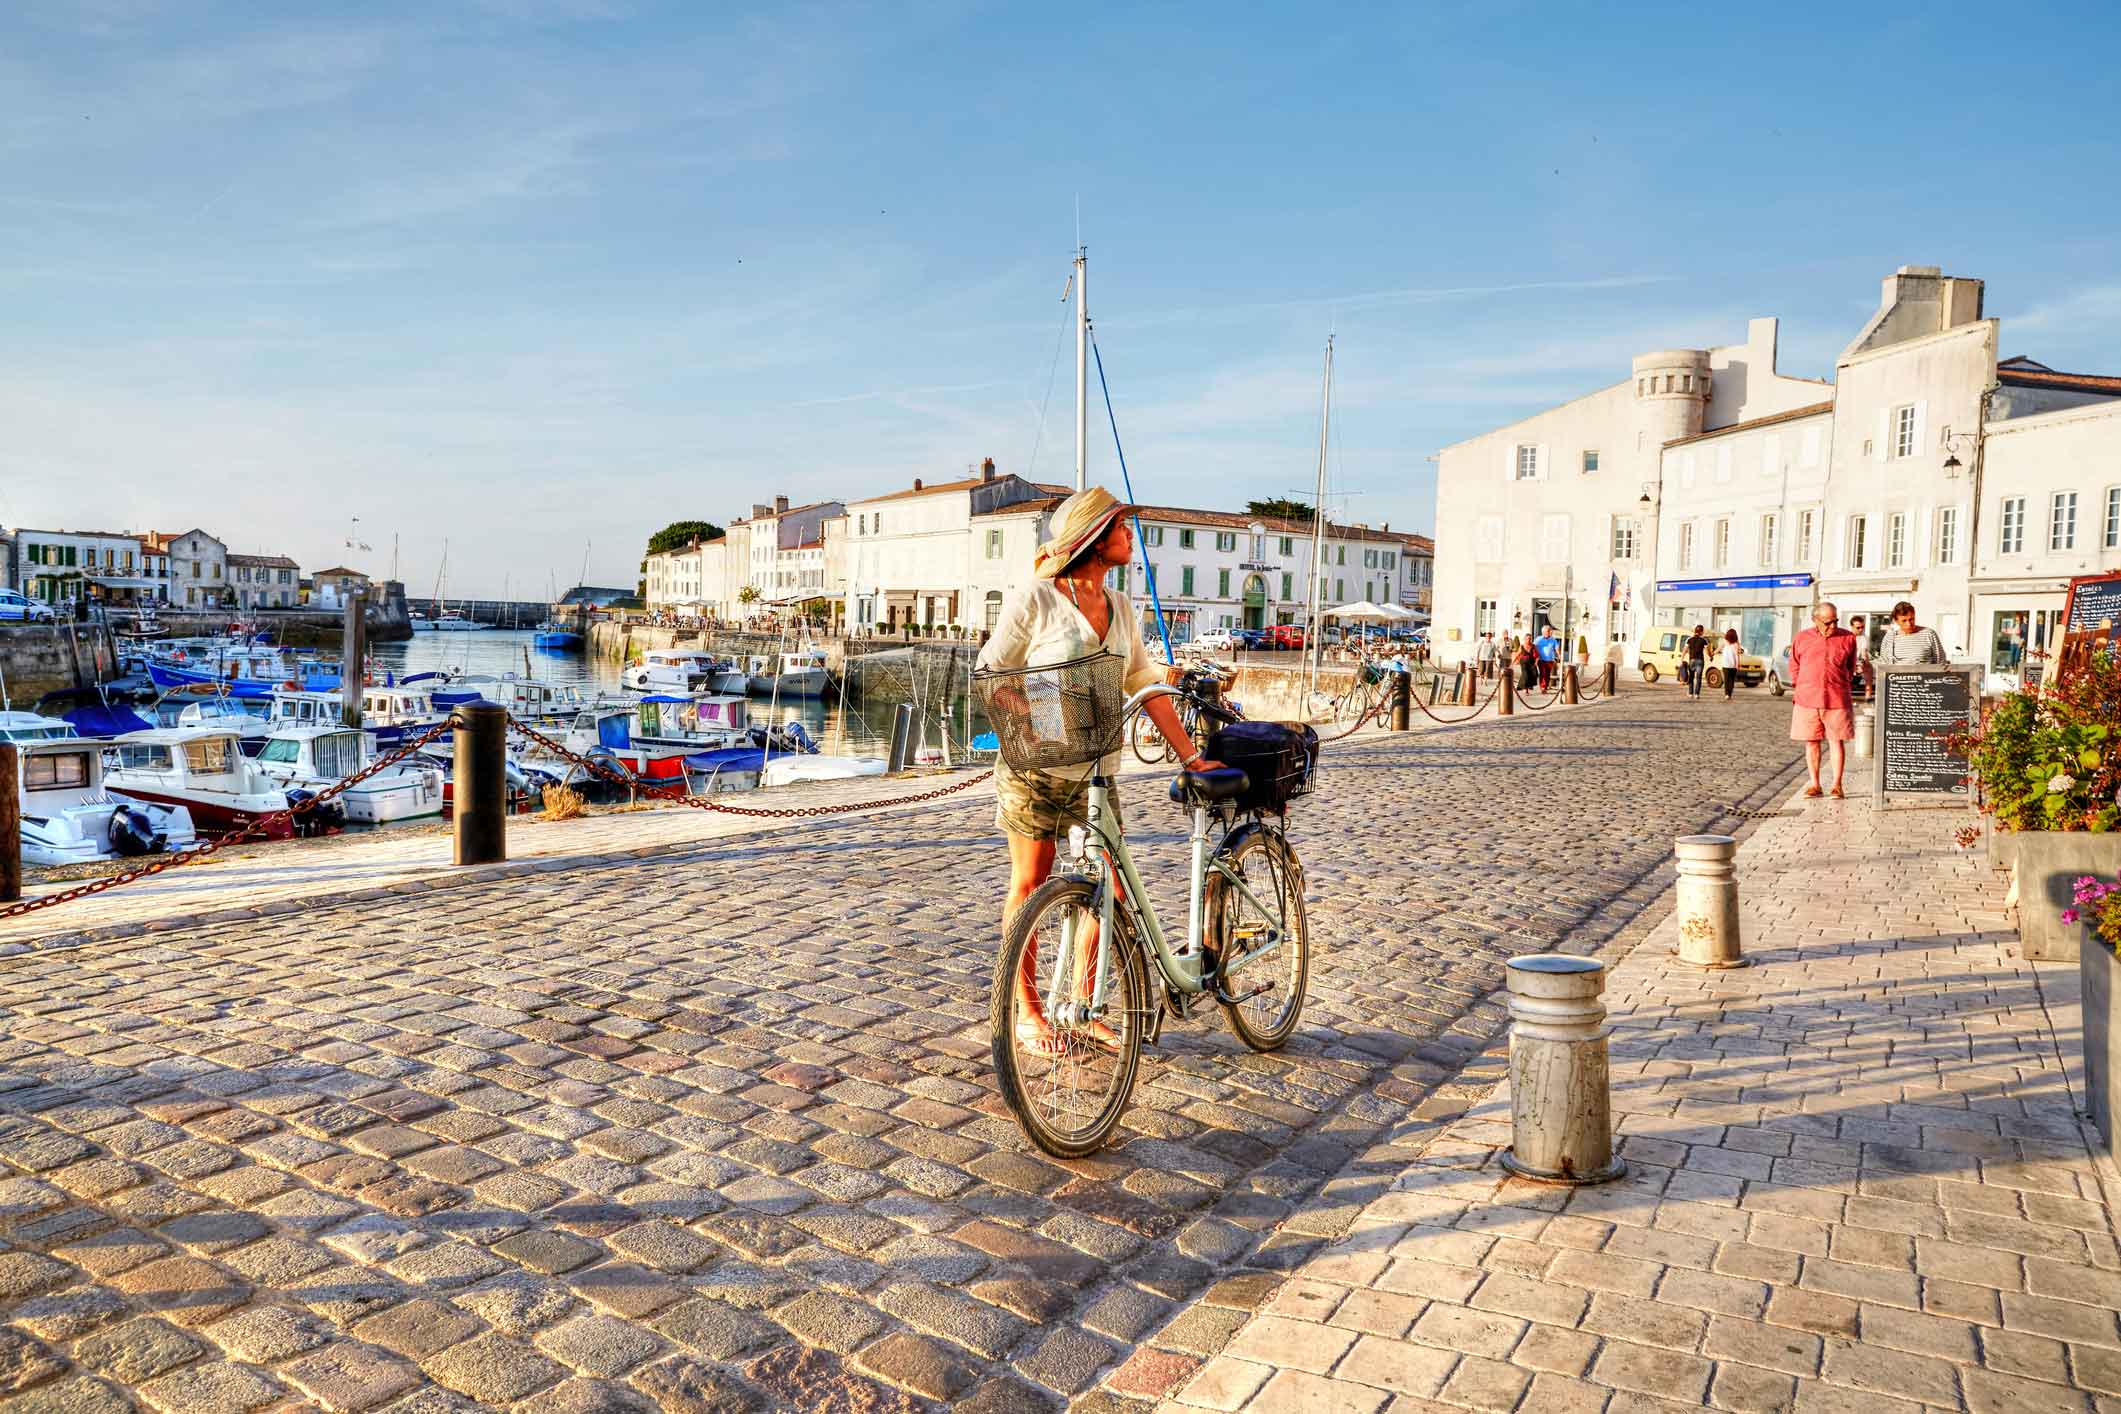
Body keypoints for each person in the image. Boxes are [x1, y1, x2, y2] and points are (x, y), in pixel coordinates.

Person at [978, 486, 1220, 1054]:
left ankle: (1082, 1006)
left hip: (1097, 773)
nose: (1131, 537)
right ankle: (1028, 1012)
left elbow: (1145, 685)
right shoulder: (1036, 599)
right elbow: (992, 671)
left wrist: (1190, 754)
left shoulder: (1122, 608)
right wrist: (1041, 718)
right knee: (1031, 884)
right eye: (1121, 528)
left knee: (1107, 887)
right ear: (1092, 535)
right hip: (1035, 770)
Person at [1788, 600, 1859, 798]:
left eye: (1835, 621)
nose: (1833, 626)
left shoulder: (1848, 638)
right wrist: (1799, 685)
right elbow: (1794, 665)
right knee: (1811, 742)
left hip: (1836, 698)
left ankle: (1837, 785)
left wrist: (1843, 680)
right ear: (1815, 620)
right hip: (1807, 699)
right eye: (1828, 622)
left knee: (1836, 741)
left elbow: (1850, 667)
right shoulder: (1802, 638)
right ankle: (1815, 784)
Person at [1875, 600, 1948, 666]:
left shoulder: (1929, 634)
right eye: (1904, 620)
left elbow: (1940, 662)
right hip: (1898, 679)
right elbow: (1884, 663)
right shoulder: (1890, 638)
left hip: (1925, 679)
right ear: (1896, 621)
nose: (1909, 624)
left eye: (1911, 619)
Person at [1684, 624, 1709, 700]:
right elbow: (1707, 651)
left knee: (1691, 677)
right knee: (1699, 678)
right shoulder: (1704, 640)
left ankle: (1690, 693)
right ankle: (1697, 694)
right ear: (1701, 632)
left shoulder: (1689, 639)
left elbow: (1685, 649)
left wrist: (1681, 659)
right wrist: (1711, 656)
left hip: (1692, 660)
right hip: (1700, 661)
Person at [1534, 625, 1560, 690]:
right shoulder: (1538, 639)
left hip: (1550, 660)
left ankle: (1545, 686)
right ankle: (1543, 687)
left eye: (1549, 631)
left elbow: (1557, 649)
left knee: (1547, 674)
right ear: (1543, 632)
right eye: (1547, 631)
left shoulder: (1553, 640)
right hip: (1541, 659)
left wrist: (1559, 656)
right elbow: (1533, 647)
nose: (1549, 632)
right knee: (1543, 672)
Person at [1718, 628, 1741, 702]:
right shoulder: (1736, 644)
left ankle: (1726, 694)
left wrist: (1713, 653)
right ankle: (1729, 694)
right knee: (1731, 681)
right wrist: (1738, 664)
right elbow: (1737, 655)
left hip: (1725, 664)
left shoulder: (1725, 642)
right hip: (1733, 665)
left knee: (1726, 680)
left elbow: (1719, 648)